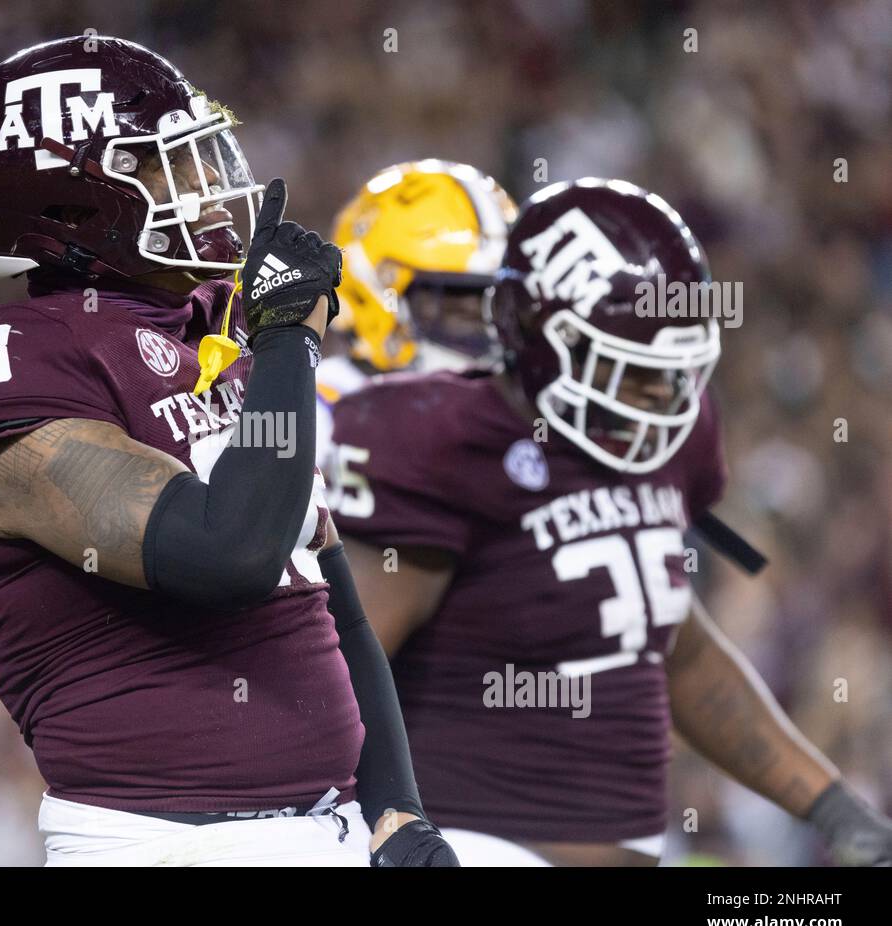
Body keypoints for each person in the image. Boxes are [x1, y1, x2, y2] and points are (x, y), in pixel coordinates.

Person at [0, 35, 455, 866]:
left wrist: (397, 812)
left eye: (198, 157)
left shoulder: (214, 325)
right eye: (162, 166)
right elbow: (227, 552)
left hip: (332, 825)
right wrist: (287, 346)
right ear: (68, 207)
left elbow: (331, 596)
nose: (203, 187)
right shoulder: (11, 359)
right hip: (164, 843)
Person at [327, 177, 892, 865]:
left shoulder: (657, 439)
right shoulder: (445, 443)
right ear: (536, 337)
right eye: (631, 370)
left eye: (672, 372)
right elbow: (338, 667)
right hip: (473, 847)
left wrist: (836, 811)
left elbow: (679, 652)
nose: (661, 398)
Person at [315, 160, 516, 493]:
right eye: (452, 296)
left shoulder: (516, 405)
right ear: (374, 286)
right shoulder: (317, 411)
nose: (481, 319)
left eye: (491, 299)